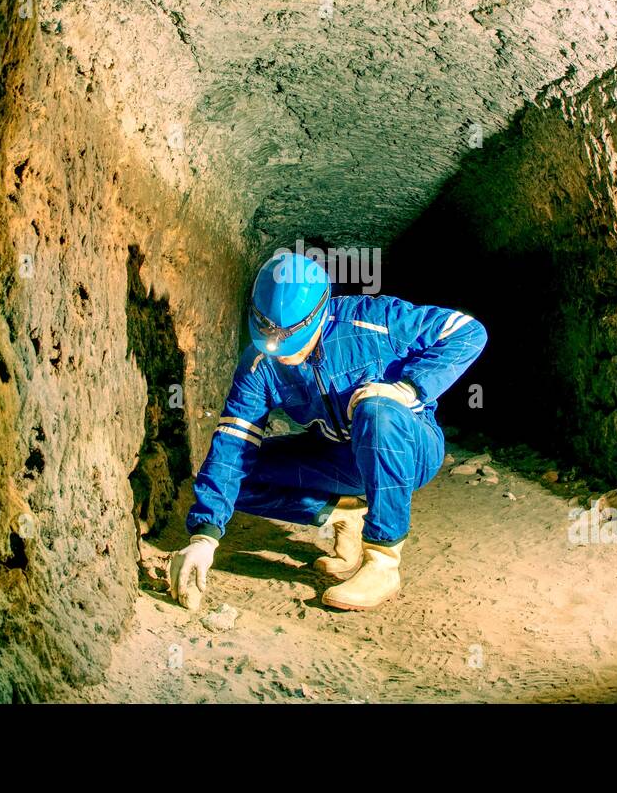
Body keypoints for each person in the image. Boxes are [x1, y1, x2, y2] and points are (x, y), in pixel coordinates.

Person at [168, 250, 487, 611]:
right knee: (236, 474)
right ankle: (343, 513)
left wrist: (408, 388)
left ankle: (382, 562)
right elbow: (232, 444)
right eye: (269, 335)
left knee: (376, 408)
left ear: (318, 316)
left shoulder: (374, 321)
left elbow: (466, 332)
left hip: (410, 449)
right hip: (339, 458)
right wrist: (203, 538)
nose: (279, 348)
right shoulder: (261, 366)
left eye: (289, 337)